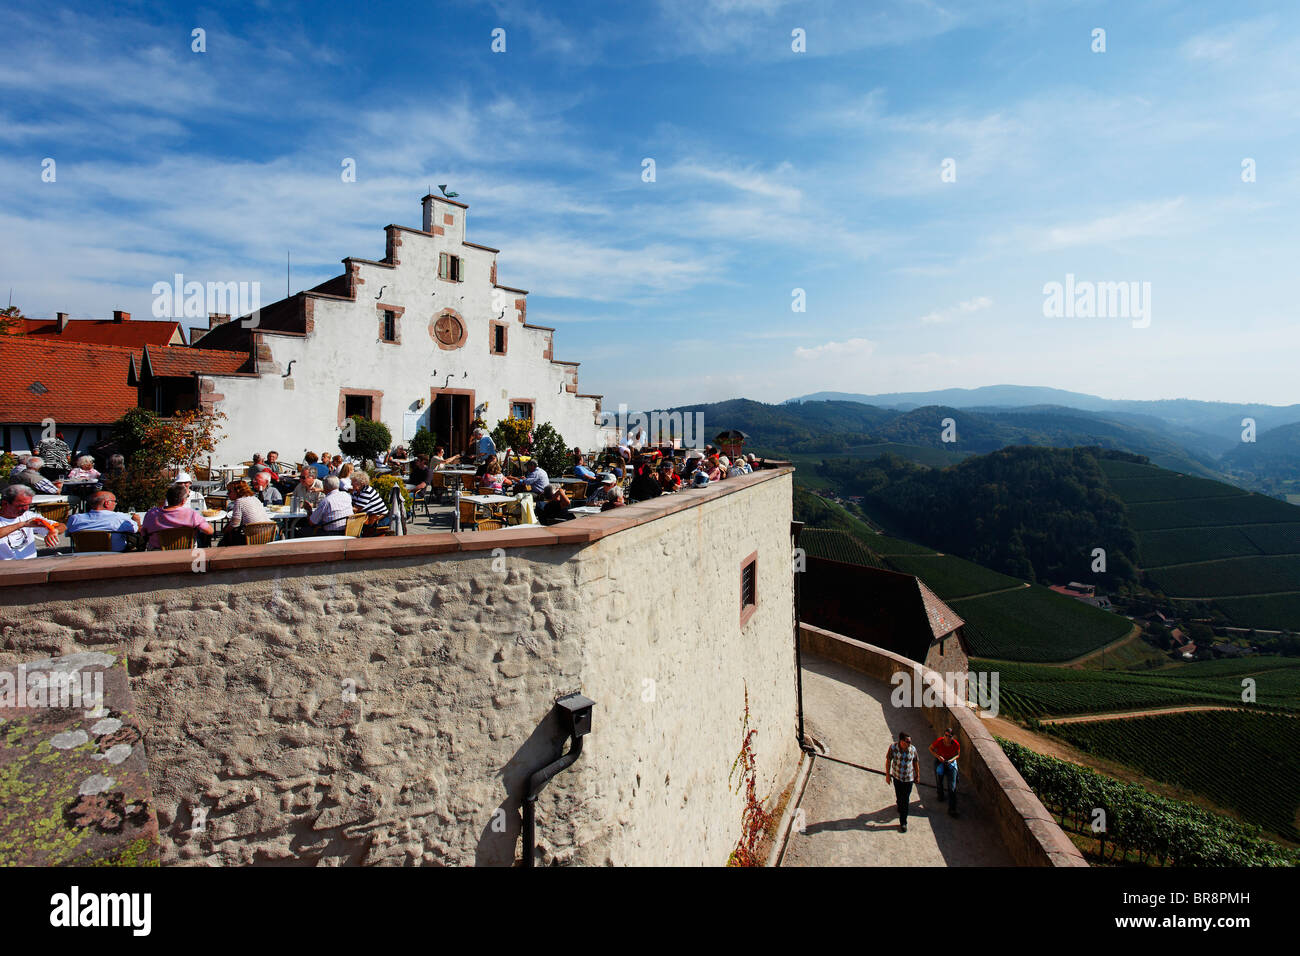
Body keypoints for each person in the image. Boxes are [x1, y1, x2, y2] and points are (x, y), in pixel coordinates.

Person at [141, 484, 213, 549]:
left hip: (158, 554)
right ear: (183, 501)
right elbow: (209, 531)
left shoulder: (152, 514)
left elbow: (144, 533)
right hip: (186, 554)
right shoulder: (191, 514)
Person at [0, 485, 62, 559]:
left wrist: (54, 530)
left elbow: (61, 526)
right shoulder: (24, 520)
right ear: (5, 504)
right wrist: (22, 524)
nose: (25, 509)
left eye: (28, 505)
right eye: (21, 505)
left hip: (31, 564)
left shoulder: (28, 515)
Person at [66, 491, 139, 552]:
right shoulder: (119, 518)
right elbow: (136, 530)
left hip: (83, 555)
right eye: (114, 501)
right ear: (106, 503)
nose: (115, 504)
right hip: (115, 555)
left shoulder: (75, 519)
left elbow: (67, 534)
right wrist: (136, 520)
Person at [884, 731, 921, 832]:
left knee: (905, 800)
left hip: (908, 779)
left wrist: (917, 775)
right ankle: (900, 805)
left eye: (910, 741)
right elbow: (888, 760)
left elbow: (915, 762)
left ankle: (903, 822)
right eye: (907, 741)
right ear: (901, 741)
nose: (909, 743)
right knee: (899, 797)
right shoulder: (893, 748)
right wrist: (887, 775)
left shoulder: (912, 749)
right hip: (897, 777)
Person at [221, 479, 270, 546]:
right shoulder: (254, 498)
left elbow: (235, 524)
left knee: (227, 538)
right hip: (268, 533)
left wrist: (224, 530)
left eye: (229, 491)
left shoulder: (239, 501)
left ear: (238, 491)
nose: (227, 494)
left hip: (254, 536)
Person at [929, 727, 961, 817]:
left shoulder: (955, 744)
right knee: (939, 780)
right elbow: (930, 748)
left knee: (952, 787)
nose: (947, 738)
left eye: (949, 736)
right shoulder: (939, 741)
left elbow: (958, 754)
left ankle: (952, 809)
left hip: (951, 763)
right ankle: (940, 794)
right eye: (946, 735)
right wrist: (938, 756)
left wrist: (951, 760)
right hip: (940, 761)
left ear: (952, 737)